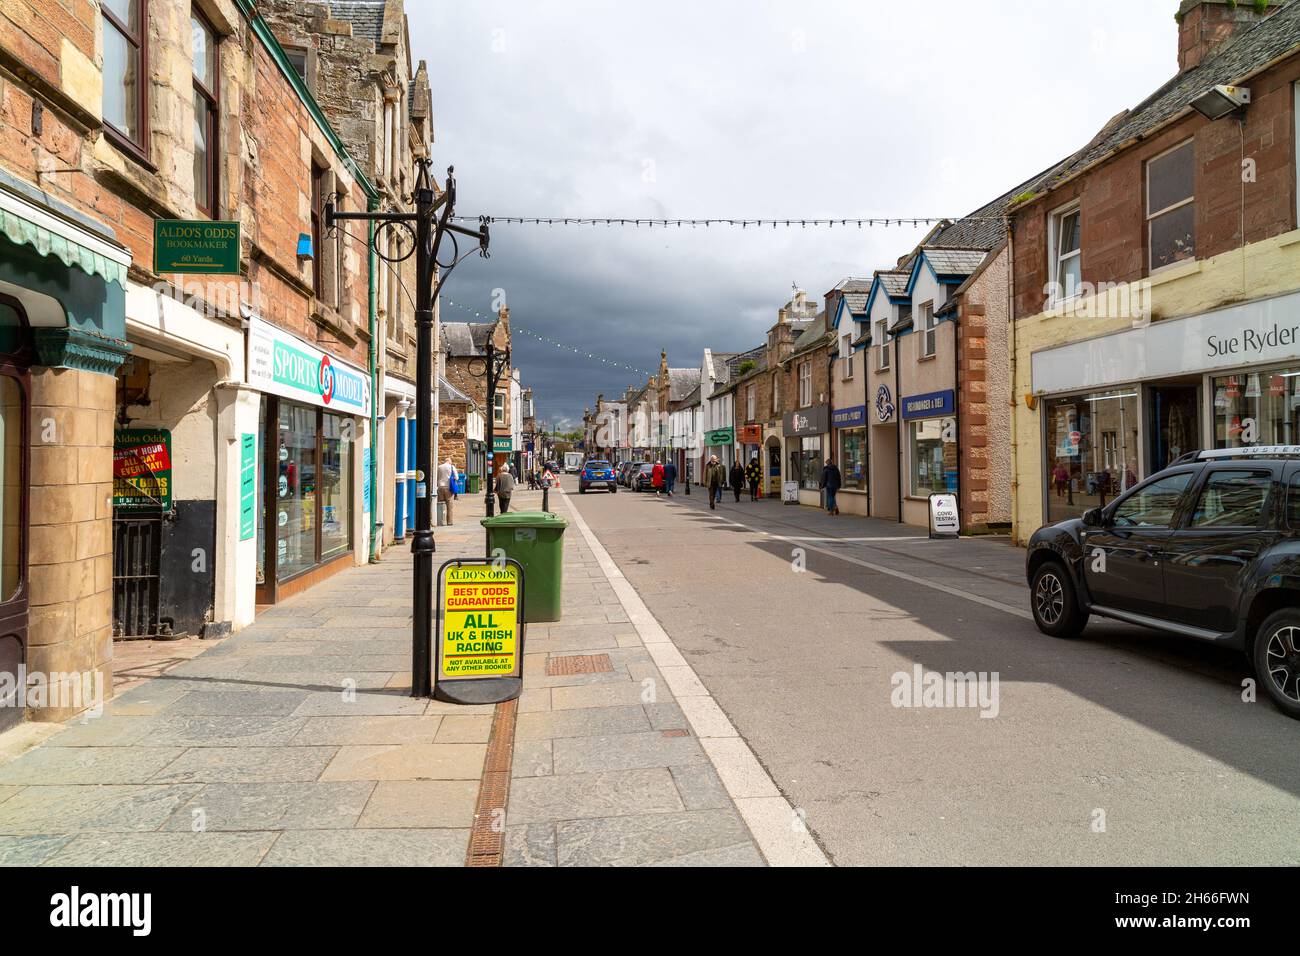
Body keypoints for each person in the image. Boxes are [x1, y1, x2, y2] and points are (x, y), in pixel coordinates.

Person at [436, 457, 455, 526]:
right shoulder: (451, 467)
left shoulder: (439, 467)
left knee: (440, 504)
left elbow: (437, 477)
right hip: (448, 488)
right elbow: (456, 477)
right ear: (450, 462)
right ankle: (449, 522)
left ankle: (440, 521)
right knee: (449, 505)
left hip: (440, 487)